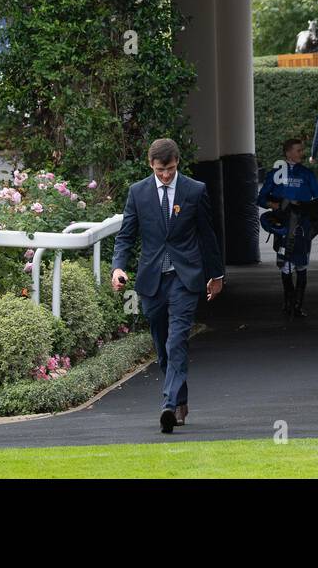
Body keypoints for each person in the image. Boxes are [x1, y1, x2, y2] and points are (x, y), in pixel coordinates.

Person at [112, 138, 225, 434]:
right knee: (163, 348)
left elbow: (207, 235)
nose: (166, 175)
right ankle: (181, 397)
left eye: (171, 169)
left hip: (185, 278)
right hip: (152, 281)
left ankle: (169, 404)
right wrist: (118, 267)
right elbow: (126, 236)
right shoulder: (137, 193)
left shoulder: (194, 190)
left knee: (177, 341)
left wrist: (217, 275)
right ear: (151, 165)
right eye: (161, 170)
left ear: (178, 163)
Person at [257, 138, 318, 318]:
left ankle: (298, 305)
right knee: (285, 265)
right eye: (298, 150)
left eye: (302, 150)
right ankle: (288, 302)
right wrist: (277, 206)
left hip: (302, 227)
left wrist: (304, 208)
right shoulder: (275, 174)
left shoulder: (307, 174)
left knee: (302, 265)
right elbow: (261, 198)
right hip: (283, 226)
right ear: (288, 153)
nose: (302, 153)